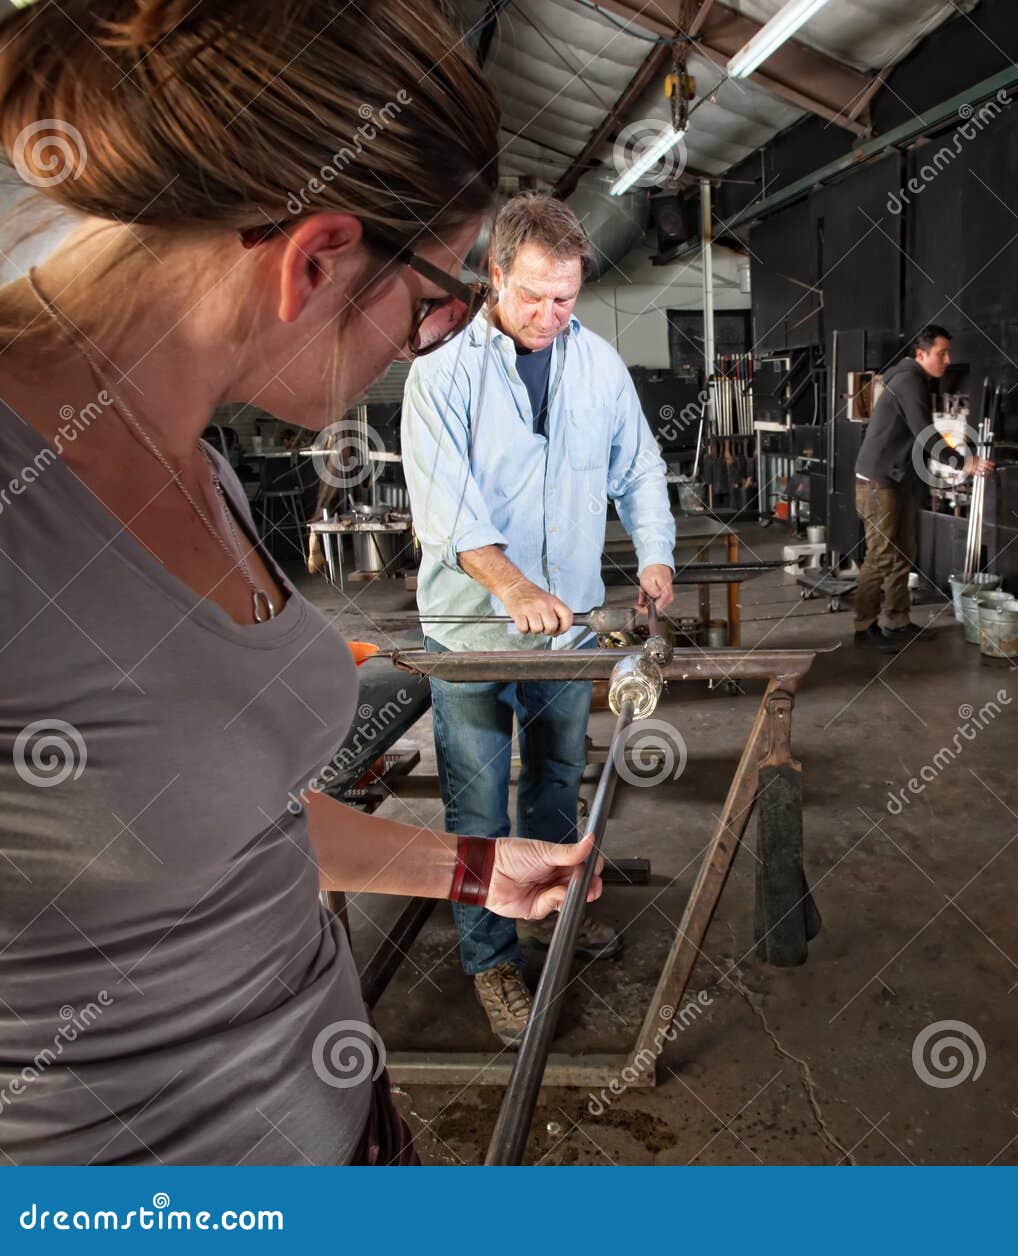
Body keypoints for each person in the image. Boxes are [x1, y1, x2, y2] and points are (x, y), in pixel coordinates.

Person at [0, 0, 604, 1165]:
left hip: (341, 1129)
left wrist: (466, 865)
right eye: (434, 303)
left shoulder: (202, 468)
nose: (429, 340)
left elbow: (235, 821)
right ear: (317, 256)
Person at [401, 193, 676, 1046]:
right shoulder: (438, 377)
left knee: (558, 781)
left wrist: (657, 552)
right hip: (474, 633)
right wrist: (514, 590)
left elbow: (639, 470)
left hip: (572, 630)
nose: (551, 315)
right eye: (533, 297)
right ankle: (490, 962)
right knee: (477, 799)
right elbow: (447, 514)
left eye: (566, 298)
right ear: (494, 275)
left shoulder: (598, 367)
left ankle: (555, 912)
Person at [852, 325, 991, 651]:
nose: (947, 359)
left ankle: (898, 620)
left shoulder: (916, 380)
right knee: (881, 555)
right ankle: (864, 627)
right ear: (921, 354)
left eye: (948, 353)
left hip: (898, 479)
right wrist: (966, 464)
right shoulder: (908, 381)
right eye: (941, 353)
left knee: (904, 551)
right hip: (878, 481)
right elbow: (926, 434)